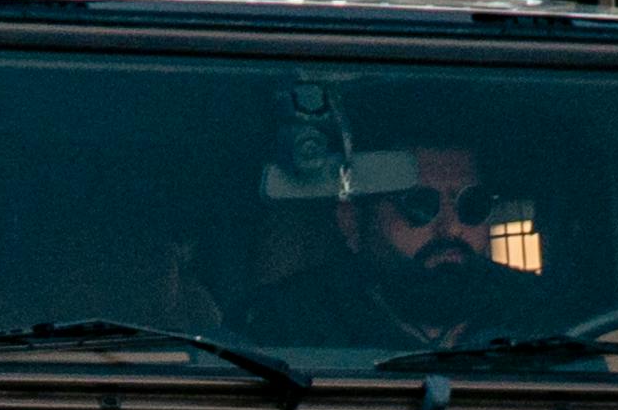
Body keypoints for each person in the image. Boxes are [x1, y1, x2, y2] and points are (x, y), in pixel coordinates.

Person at [237, 137, 561, 356]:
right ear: (351, 222)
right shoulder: (291, 323)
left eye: (470, 204)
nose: (451, 227)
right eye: (419, 205)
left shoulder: (537, 313)